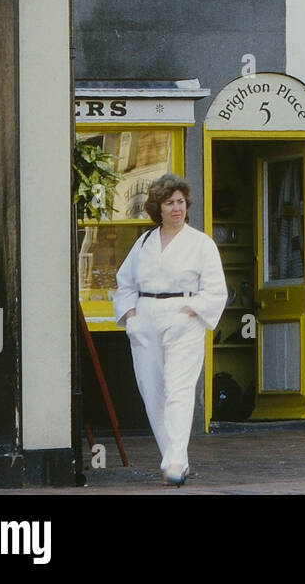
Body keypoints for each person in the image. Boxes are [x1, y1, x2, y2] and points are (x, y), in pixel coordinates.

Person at [114, 173, 227, 485]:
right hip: (146, 317)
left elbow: (216, 290)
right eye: (169, 203)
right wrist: (132, 314)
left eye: (180, 202)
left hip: (182, 316)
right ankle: (174, 456)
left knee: (179, 388)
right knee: (152, 391)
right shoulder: (144, 243)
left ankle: (175, 460)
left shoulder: (201, 244)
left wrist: (191, 311)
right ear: (158, 208)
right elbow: (124, 283)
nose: (176, 208)